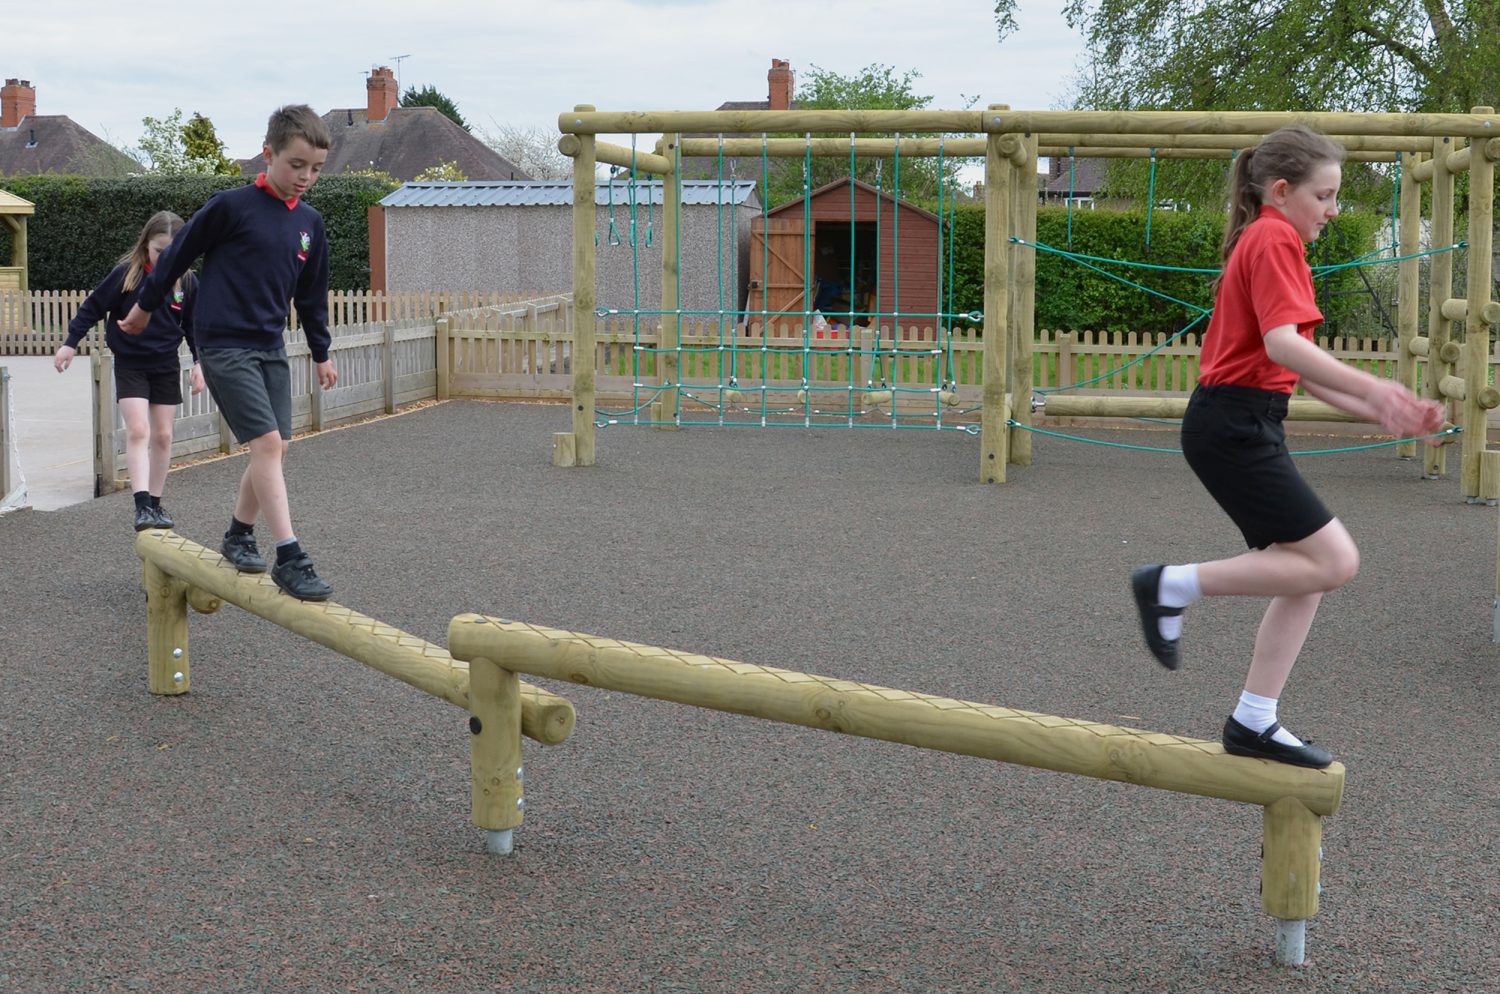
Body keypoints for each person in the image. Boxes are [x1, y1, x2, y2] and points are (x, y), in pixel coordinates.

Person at [1130, 125, 1445, 769]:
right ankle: (1170, 585)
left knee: (1306, 574)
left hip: (1242, 422)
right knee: (1334, 561)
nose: (1333, 210)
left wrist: (1379, 409)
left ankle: (1254, 720)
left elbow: (1289, 372)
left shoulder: (1270, 239)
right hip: (1233, 427)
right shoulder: (1273, 236)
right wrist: (1376, 386)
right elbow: (1283, 345)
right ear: (1281, 191)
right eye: (1326, 196)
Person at [120, 104, 338, 601]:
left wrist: (321, 351)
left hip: (269, 347)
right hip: (223, 344)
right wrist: (147, 307)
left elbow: (311, 295)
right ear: (269, 154)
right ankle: (290, 556)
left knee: (277, 447)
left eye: (317, 169)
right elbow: (177, 255)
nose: (306, 177)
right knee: (264, 445)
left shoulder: (310, 223)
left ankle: (238, 534)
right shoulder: (231, 206)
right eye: (296, 165)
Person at [54, 211, 203, 531]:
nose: (165, 258)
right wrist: (70, 343)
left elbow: (193, 326)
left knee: (163, 435)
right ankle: (141, 505)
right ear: (145, 245)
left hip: (165, 364)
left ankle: (156, 505)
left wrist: (199, 363)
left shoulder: (186, 282)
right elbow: (92, 307)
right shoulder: (127, 275)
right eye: (159, 251)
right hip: (131, 364)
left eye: (172, 253)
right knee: (138, 431)